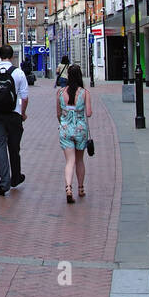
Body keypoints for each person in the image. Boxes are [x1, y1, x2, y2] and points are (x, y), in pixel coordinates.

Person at [0, 43, 29, 196]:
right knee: (14, 147)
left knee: (0, 147)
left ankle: (4, 183)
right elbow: (25, 97)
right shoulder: (19, 73)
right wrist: (23, 112)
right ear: (11, 56)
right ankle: (16, 177)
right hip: (14, 114)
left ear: (0, 56)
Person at [57, 64, 92, 203]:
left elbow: (58, 113)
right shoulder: (85, 93)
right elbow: (88, 113)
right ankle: (81, 188)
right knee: (79, 160)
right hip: (80, 130)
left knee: (69, 161)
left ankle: (68, 188)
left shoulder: (60, 93)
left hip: (65, 129)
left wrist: (65, 120)